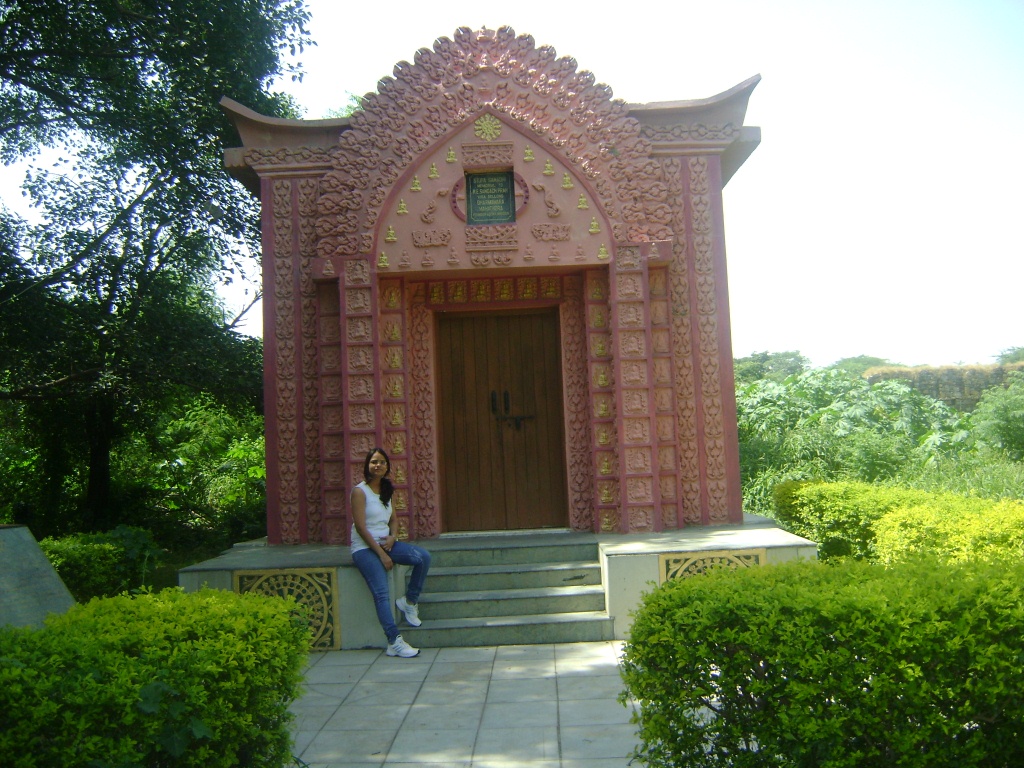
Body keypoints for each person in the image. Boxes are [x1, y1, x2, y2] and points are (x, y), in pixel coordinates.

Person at [350, 447, 431, 658]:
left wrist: (393, 537)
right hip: (365, 548)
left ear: (387, 467)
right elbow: (360, 527)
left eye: (382, 462)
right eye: (374, 462)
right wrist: (382, 554)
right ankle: (393, 640)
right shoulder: (360, 491)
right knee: (382, 592)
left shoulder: (387, 490)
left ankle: (409, 601)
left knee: (423, 557)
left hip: (387, 543)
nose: (378, 465)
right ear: (367, 465)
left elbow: (394, 519)